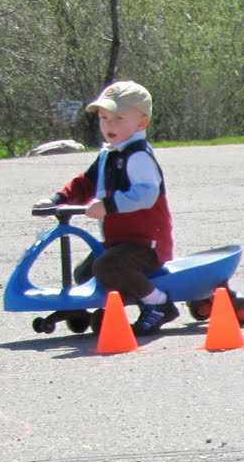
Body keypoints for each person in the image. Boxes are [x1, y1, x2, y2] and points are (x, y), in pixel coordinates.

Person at [41, 81, 178, 334]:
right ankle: (112, 307)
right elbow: (86, 183)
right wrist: (57, 199)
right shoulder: (108, 154)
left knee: (107, 267)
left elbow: (147, 194)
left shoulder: (138, 156)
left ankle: (159, 304)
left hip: (147, 244)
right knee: (85, 273)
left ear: (141, 123)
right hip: (120, 243)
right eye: (104, 118)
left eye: (118, 118)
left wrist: (109, 205)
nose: (108, 125)